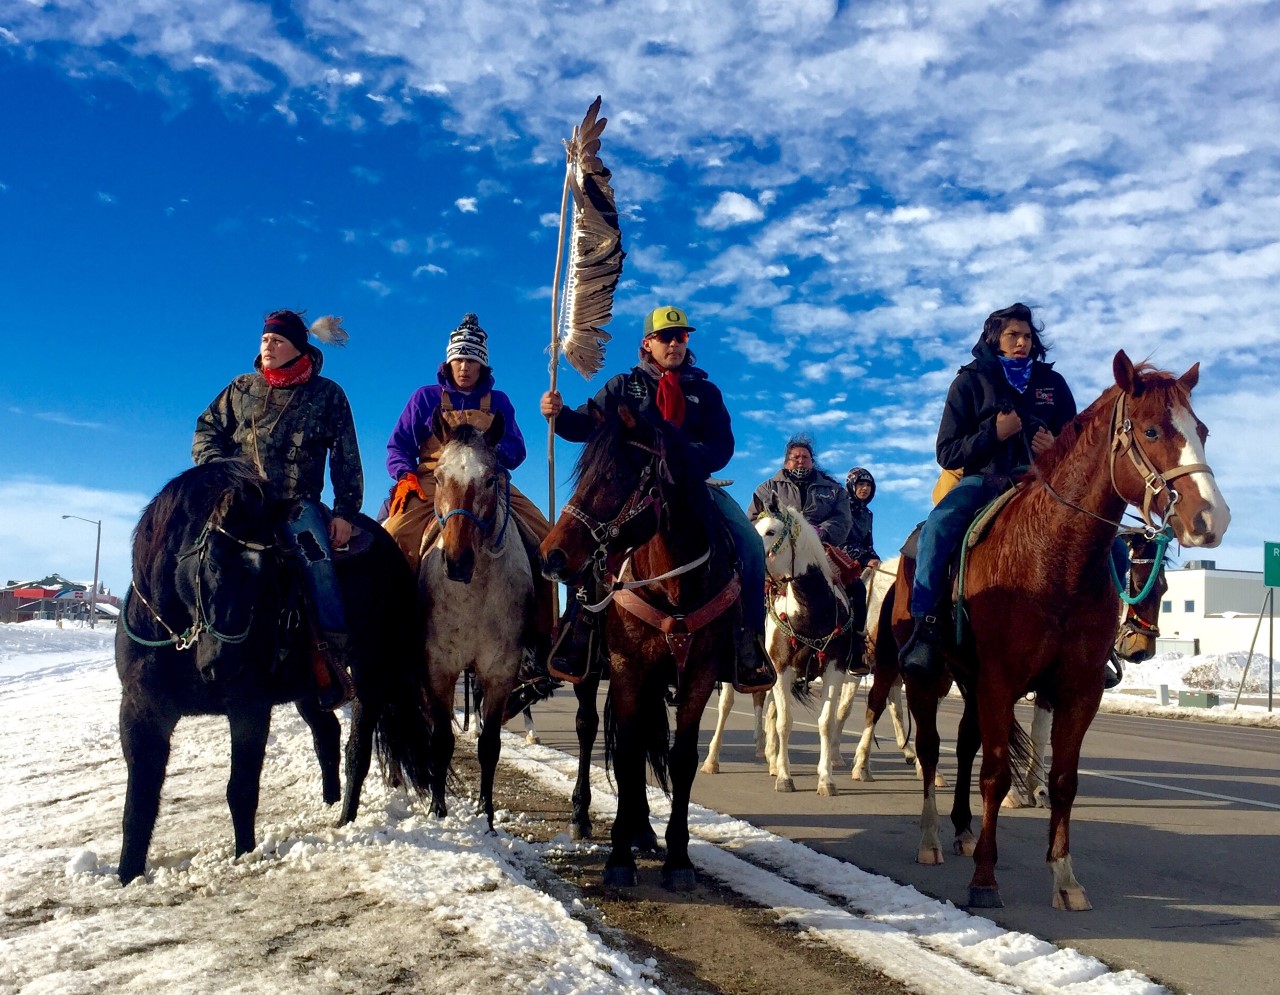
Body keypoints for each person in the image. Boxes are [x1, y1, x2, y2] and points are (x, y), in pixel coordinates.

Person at [539, 305, 776, 693]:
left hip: (695, 491)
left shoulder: (705, 391)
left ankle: (747, 639)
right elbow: (587, 423)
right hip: (633, 494)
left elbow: (722, 445)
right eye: (666, 337)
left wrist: (683, 459)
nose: (674, 344)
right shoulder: (623, 386)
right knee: (591, 539)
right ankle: (578, 628)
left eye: (681, 337)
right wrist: (559, 414)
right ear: (647, 343)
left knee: (750, 544)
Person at [192, 308, 360, 710]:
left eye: (277, 340)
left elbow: (346, 459)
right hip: (239, 500)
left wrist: (344, 513)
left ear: (298, 348)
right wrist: (220, 470)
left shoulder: (327, 395)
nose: (267, 345)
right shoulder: (240, 388)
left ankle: (336, 652)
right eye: (265, 339)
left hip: (294, 505)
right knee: (193, 549)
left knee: (317, 558)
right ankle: (188, 637)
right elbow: (205, 431)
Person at [899, 303, 1077, 679]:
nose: (1022, 343)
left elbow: (1078, 444)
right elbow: (946, 451)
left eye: (1027, 336)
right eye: (1013, 335)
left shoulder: (1053, 384)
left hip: (1040, 485)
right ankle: (925, 627)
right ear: (995, 337)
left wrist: (1058, 446)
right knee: (937, 528)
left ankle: (1101, 636)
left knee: (1108, 542)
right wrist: (994, 434)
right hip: (985, 481)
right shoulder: (969, 381)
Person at [382, 313, 557, 674]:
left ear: (482, 365)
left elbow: (516, 449)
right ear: (448, 361)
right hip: (435, 480)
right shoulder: (425, 397)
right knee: (394, 536)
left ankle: (543, 635)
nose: (464, 367)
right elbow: (398, 445)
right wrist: (404, 476)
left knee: (546, 539)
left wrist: (495, 457)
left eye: (472, 360)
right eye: (459, 359)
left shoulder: (499, 401)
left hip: (488, 482)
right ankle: (396, 628)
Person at [748, 436, 851, 548]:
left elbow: (843, 519)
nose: (801, 461)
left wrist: (822, 532)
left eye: (805, 457)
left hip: (820, 547)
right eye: (796, 458)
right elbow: (753, 518)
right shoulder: (768, 488)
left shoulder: (834, 490)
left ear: (812, 461)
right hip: (778, 548)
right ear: (786, 462)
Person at [841, 467, 881, 571]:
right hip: (836, 560)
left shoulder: (867, 514)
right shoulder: (840, 507)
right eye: (861, 484)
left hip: (859, 563)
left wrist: (876, 560)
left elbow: (868, 545)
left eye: (868, 485)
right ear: (851, 485)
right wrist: (865, 560)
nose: (865, 488)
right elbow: (840, 542)